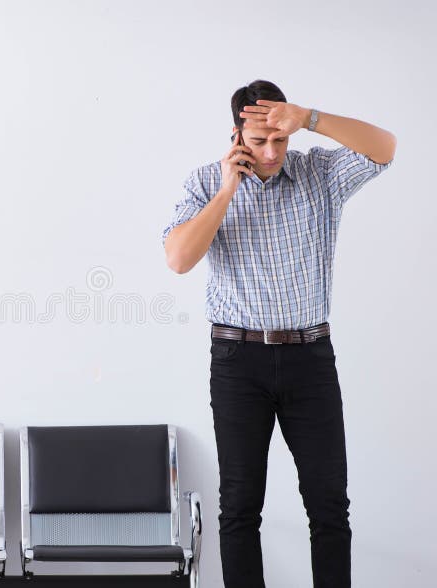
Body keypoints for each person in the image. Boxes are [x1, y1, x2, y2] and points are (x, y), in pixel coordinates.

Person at [161, 79, 396, 588]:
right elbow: (179, 259)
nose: (271, 153)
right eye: (259, 141)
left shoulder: (318, 174)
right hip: (236, 361)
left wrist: (309, 117)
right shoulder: (205, 182)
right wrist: (228, 190)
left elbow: (385, 148)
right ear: (236, 135)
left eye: (279, 140)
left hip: (310, 357)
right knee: (240, 507)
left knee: (329, 504)